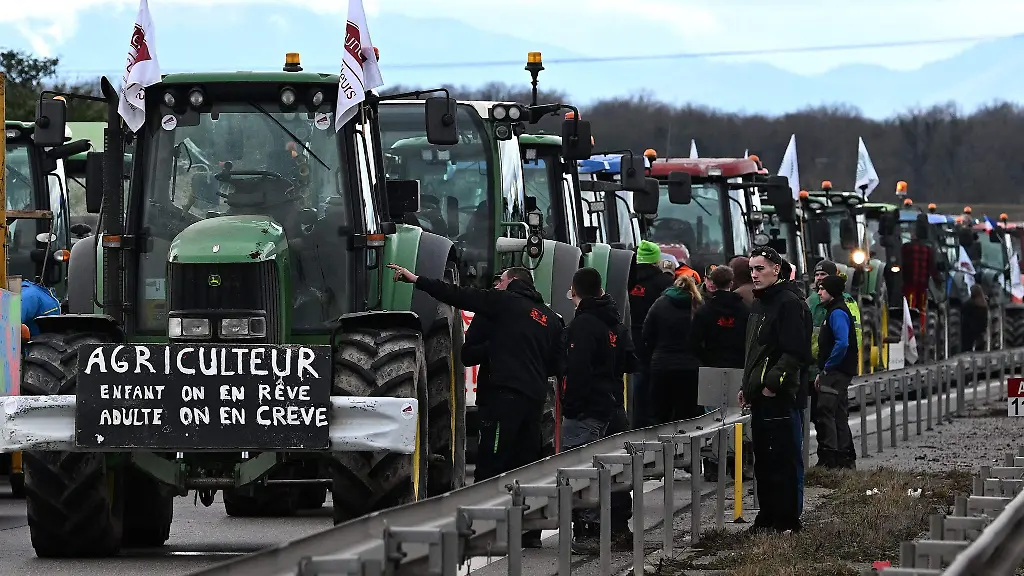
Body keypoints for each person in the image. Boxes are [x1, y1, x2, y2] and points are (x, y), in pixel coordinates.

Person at [386, 263, 563, 548]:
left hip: (502, 398)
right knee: (528, 465)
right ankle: (529, 533)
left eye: (500, 280)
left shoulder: (501, 303)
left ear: (511, 282)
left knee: (493, 462)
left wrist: (417, 279)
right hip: (533, 402)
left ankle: (484, 531)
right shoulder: (550, 318)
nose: (496, 284)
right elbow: (557, 364)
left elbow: (458, 295)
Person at [560, 267, 635, 553]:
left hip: (588, 410)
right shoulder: (615, 321)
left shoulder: (583, 324)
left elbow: (577, 370)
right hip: (614, 406)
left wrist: (572, 406)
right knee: (616, 471)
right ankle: (618, 530)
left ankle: (590, 533)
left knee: (583, 470)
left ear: (574, 291)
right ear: (601, 290)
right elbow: (632, 361)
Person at [738, 246, 811, 535]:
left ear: (776, 269)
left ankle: (788, 520)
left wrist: (770, 385)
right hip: (760, 396)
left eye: (760, 269)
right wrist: (748, 386)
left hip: (781, 396)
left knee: (784, 458)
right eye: (752, 269)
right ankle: (767, 516)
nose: (754, 274)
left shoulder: (789, 303)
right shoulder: (760, 304)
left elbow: (795, 352)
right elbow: (755, 353)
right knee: (764, 461)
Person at [688, 265, 749, 480]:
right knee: (735, 419)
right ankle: (737, 465)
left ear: (712, 283)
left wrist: (706, 359)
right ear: (732, 284)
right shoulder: (743, 311)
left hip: (711, 370)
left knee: (711, 420)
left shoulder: (705, 311)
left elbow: (693, 342)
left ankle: (713, 467)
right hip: (737, 369)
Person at [643, 273, 704, 425]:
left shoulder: (660, 303)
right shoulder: (698, 305)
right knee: (688, 415)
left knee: (659, 414)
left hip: (662, 365)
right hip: (690, 367)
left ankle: (661, 447)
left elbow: (647, 333)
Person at [813, 275, 858, 469]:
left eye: (822, 289)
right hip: (838, 370)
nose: (819, 293)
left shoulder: (837, 313)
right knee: (838, 413)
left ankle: (831, 459)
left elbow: (842, 342)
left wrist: (828, 367)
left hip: (836, 372)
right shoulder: (834, 310)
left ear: (831, 291)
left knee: (825, 411)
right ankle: (845, 458)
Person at [628, 241, 674, 429]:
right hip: (657, 342)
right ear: (656, 260)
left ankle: (636, 422)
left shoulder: (627, 279)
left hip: (631, 337)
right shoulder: (664, 283)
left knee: (636, 381)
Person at [901, 218, 942, 321]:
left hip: (909, 284)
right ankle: (922, 331)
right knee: (922, 310)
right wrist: (938, 281)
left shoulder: (906, 248)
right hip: (923, 285)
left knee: (910, 309)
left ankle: (910, 330)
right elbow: (932, 268)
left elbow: (902, 265)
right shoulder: (928, 249)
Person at [961, 284, 988, 352]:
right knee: (979, 345)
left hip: (968, 329)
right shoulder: (983, 304)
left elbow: (963, 312)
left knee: (967, 346)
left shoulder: (969, 303)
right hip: (980, 330)